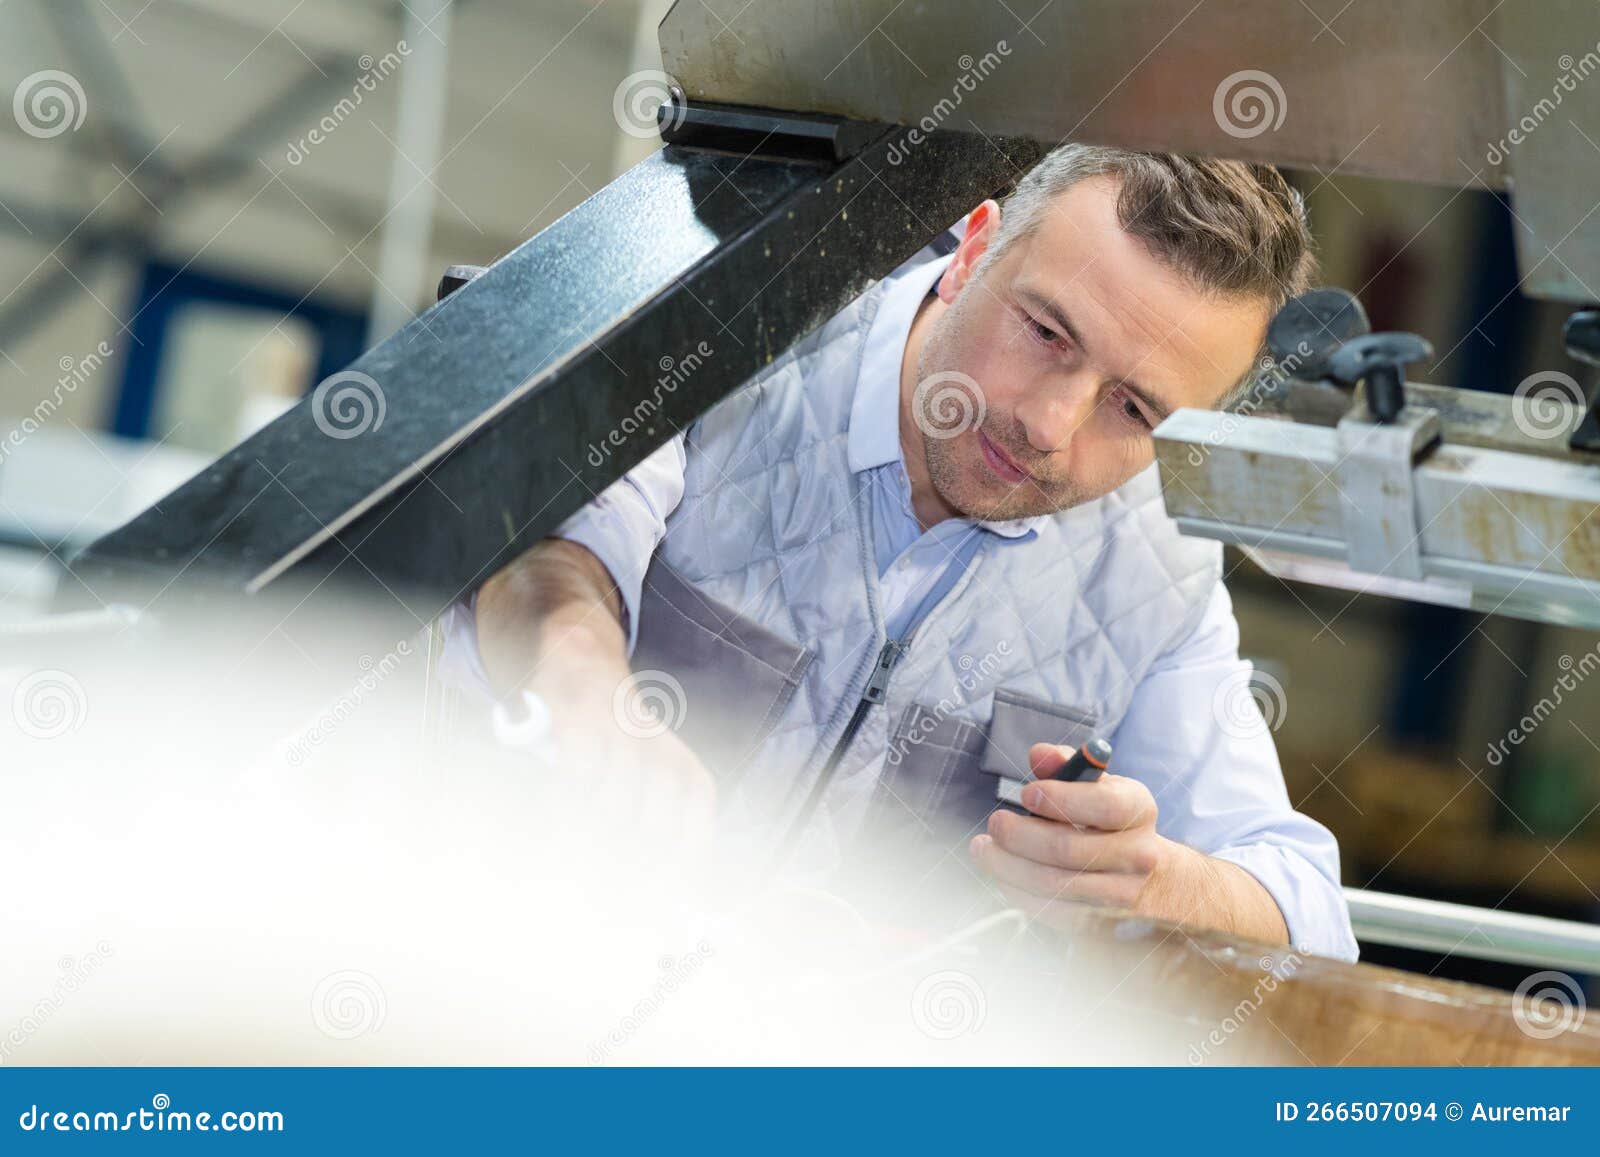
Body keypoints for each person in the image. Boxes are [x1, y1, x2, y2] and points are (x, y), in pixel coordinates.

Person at [443, 143, 1359, 961]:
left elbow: (1308, 906)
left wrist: (1153, 881)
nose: (1049, 424)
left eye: (1134, 409)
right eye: (1046, 333)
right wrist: (583, 681)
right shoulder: (741, 340)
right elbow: (551, 556)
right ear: (972, 250)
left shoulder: (1156, 571)